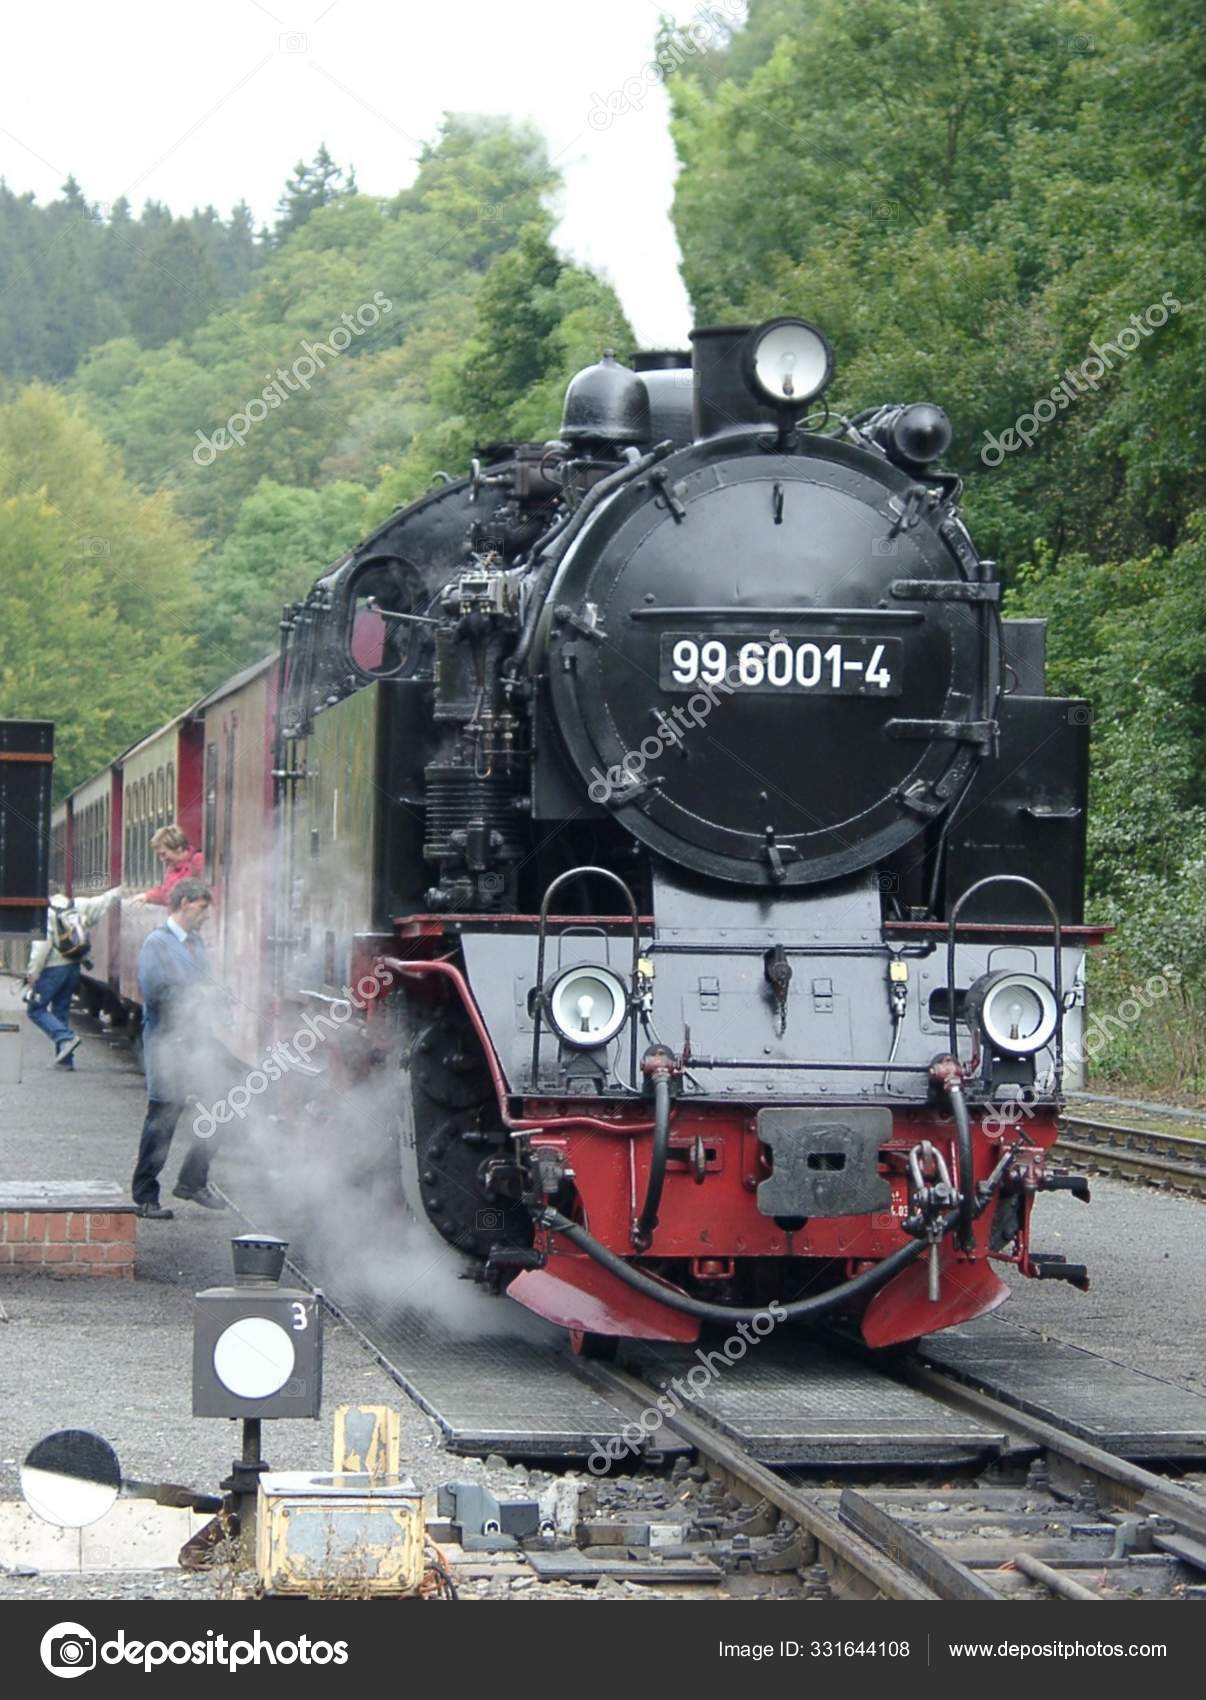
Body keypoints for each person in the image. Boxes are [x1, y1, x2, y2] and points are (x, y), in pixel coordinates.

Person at [131, 877, 229, 1219]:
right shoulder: (156, 944)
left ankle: (191, 1181)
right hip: (167, 1043)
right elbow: (154, 992)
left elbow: (208, 983)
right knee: (162, 1119)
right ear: (185, 903)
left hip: (197, 1042)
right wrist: (194, 997)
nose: (206, 917)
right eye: (203, 909)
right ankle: (145, 1196)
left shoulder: (196, 944)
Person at [24, 887, 123, 1067]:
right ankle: (65, 1061)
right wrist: (120, 890)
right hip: (73, 967)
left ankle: (66, 1037)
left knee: (35, 1010)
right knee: (60, 1010)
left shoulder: (44, 912)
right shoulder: (77, 905)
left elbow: (41, 946)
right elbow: (103, 901)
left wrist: (33, 973)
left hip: (53, 969)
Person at [130, 826, 204, 907]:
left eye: (163, 854)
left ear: (178, 849)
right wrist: (147, 896)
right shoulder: (172, 868)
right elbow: (166, 894)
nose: (161, 859)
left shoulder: (198, 861)